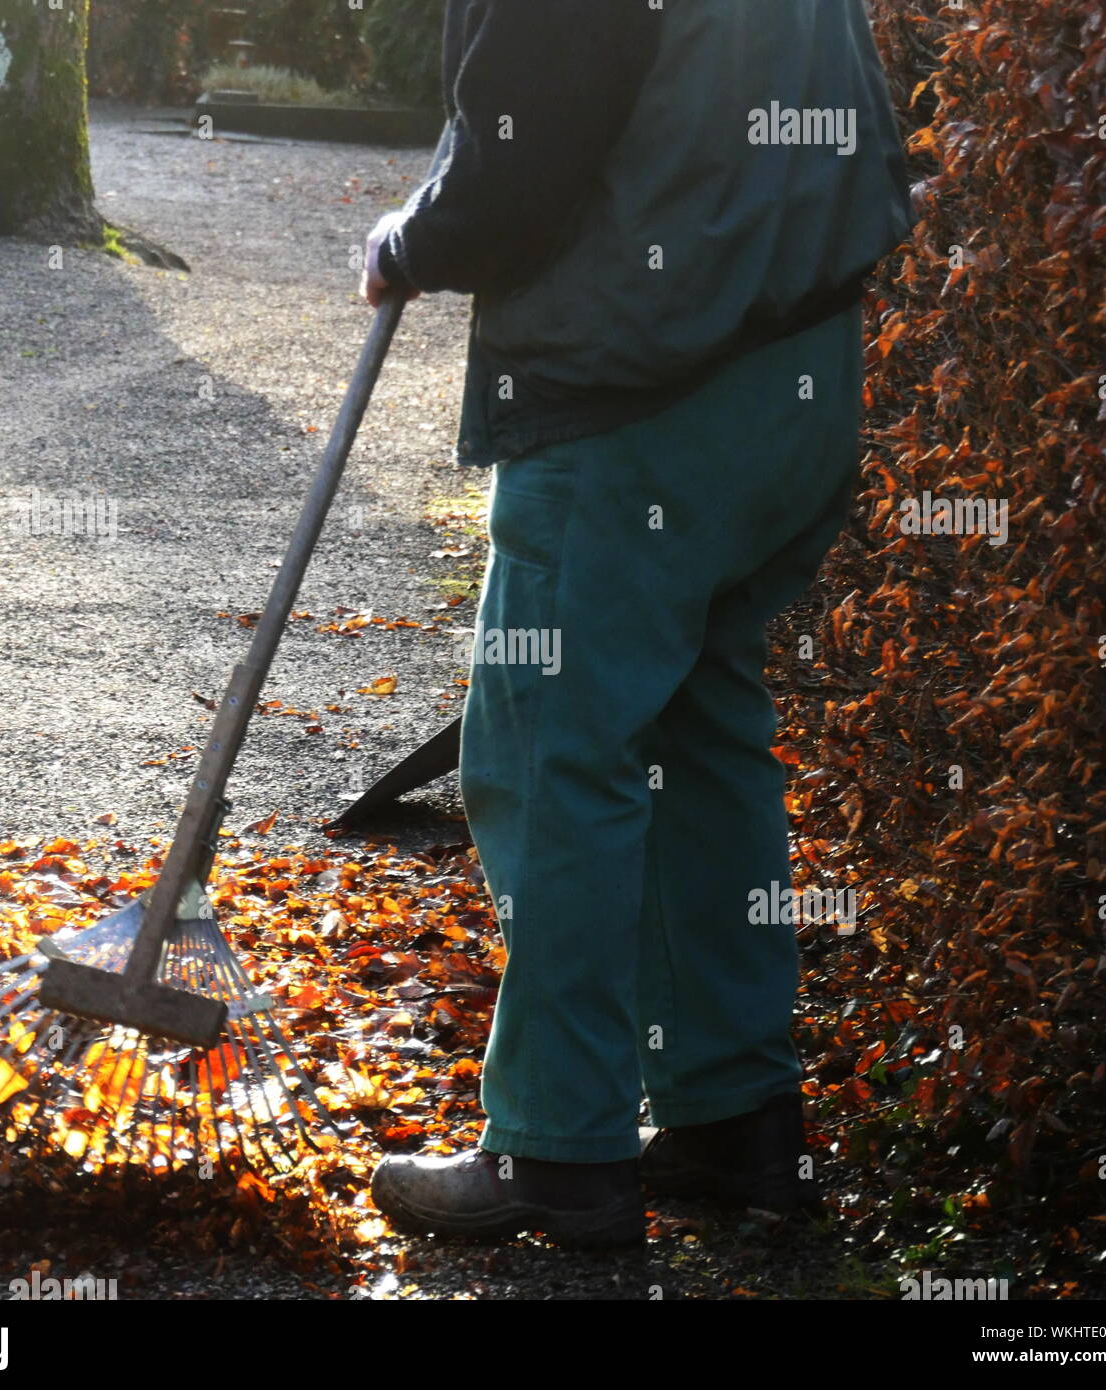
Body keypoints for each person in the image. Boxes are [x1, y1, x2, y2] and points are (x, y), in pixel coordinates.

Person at [358, 0, 912, 1247]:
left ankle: (560, 1148)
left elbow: (518, 168)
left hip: (641, 391)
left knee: (556, 751)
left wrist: (413, 238)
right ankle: (732, 1119)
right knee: (703, 728)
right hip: (795, 375)